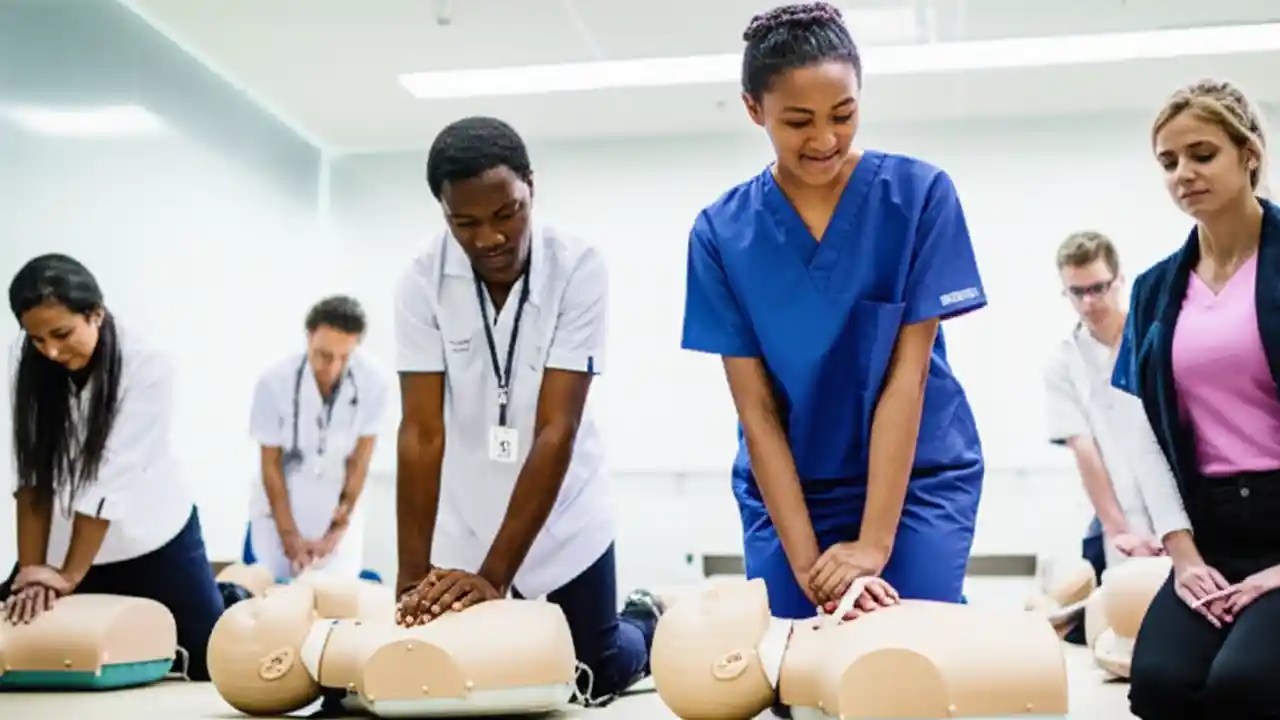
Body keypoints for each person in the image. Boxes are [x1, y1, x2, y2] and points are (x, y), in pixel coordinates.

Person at [680, 1, 988, 623]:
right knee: (801, 663)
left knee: (906, 652)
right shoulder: (721, 233)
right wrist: (806, 567)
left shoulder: (920, 196)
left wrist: (874, 544)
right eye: (797, 121)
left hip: (916, 480)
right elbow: (756, 410)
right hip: (790, 487)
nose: (824, 140)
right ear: (753, 110)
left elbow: (909, 378)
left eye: (843, 114)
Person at [392, 115, 663, 706]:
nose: (489, 237)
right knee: (461, 677)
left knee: (591, 673)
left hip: (563, 510)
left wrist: (494, 578)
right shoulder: (420, 280)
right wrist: (410, 578)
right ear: (443, 213)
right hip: (467, 517)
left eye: (506, 213)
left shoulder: (578, 267)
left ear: (531, 188)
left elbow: (555, 428)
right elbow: (420, 433)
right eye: (464, 222)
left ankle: (644, 617)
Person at [1111, 79, 1280, 719]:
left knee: (1248, 686)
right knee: (1159, 682)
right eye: (1169, 161)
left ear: (1249, 155)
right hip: (1209, 531)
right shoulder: (1157, 290)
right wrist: (1182, 556)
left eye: (1202, 154)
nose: (1184, 173)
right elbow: (1142, 431)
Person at [0, 253, 224, 681]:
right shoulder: (27, 361)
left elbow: (109, 478)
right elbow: (31, 474)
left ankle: (233, 592)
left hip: (150, 537)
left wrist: (68, 576)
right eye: (36, 338)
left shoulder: (147, 366)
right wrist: (32, 571)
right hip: (66, 537)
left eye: (62, 334)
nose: (49, 350)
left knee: (206, 658)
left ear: (96, 314)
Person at [1043, 231, 1165, 592]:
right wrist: (1120, 532)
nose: (1088, 302)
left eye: (1098, 288)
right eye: (1076, 292)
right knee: (1128, 613)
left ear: (1119, 279)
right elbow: (1084, 449)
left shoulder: (1156, 337)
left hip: (1184, 506)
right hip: (1120, 518)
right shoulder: (1063, 363)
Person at [247, 296, 390, 581]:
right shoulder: (274, 382)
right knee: (273, 598)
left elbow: (360, 460)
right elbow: (270, 464)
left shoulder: (373, 382)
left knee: (333, 601)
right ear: (309, 336)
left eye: (344, 357)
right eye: (324, 355)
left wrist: (336, 530)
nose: (333, 367)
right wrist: (289, 535)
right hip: (281, 511)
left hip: (335, 510)